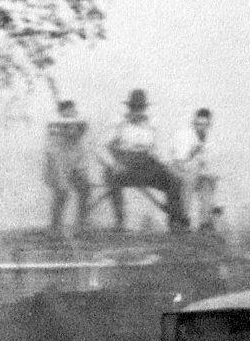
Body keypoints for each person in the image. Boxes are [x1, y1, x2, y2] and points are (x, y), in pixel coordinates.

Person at [103, 89, 188, 233]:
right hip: (125, 163)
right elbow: (104, 146)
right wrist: (114, 163)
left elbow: (156, 150)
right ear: (129, 107)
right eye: (134, 107)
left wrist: (168, 166)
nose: (137, 111)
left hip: (147, 164)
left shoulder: (152, 123)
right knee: (111, 175)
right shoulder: (118, 122)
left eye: (140, 108)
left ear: (144, 109)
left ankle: (175, 225)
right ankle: (120, 223)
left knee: (173, 180)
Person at [42, 99, 97, 236]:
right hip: (56, 169)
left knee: (85, 189)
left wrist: (81, 173)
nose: (73, 129)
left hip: (73, 169)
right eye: (69, 126)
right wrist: (62, 179)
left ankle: (81, 225)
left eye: (75, 126)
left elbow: (81, 162)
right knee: (62, 193)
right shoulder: (54, 139)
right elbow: (54, 160)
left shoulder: (78, 139)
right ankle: (54, 227)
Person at [170, 108, 218, 231]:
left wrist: (208, 173)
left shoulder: (211, 141)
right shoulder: (185, 136)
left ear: (209, 125)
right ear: (193, 123)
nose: (200, 128)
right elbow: (179, 161)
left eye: (204, 125)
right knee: (189, 179)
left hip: (198, 173)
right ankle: (184, 219)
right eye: (198, 124)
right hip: (180, 171)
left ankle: (205, 222)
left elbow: (209, 164)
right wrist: (192, 154)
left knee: (207, 183)